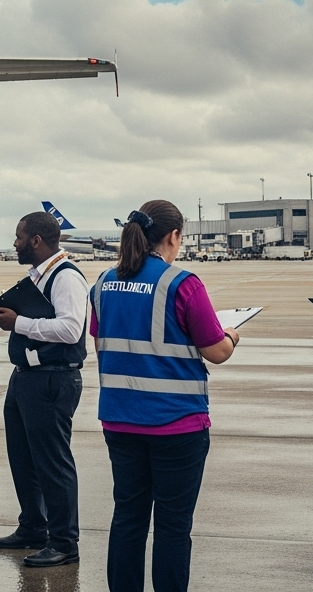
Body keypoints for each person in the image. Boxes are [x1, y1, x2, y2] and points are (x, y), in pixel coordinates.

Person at [91, 200, 240, 592]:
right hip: (177, 423)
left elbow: (102, 341)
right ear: (174, 236)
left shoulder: (103, 284)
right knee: (173, 527)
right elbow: (216, 351)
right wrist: (232, 335)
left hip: (120, 419)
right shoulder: (182, 283)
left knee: (128, 519)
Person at [0, 211, 89, 567]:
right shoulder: (38, 276)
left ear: (36, 240)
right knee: (24, 458)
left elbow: (71, 330)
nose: (14, 243)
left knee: (52, 463)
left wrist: (20, 323)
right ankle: (33, 526)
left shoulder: (67, 277)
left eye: (18, 237)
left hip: (53, 378)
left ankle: (64, 542)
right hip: (26, 377)